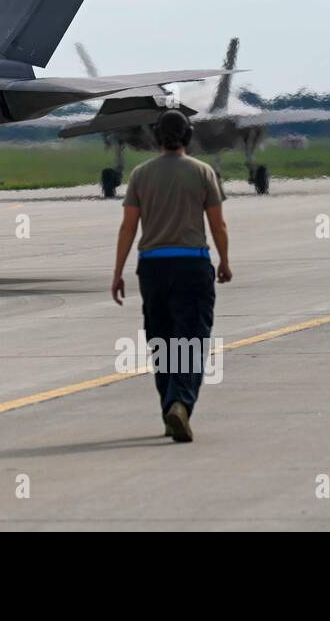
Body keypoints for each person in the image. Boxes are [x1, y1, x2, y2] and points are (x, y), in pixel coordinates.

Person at [110, 109, 231, 442]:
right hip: (192, 265)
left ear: (156, 138)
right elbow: (217, 224)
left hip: (152, 267)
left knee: (161, 340)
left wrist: (118, 272)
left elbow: (128, 227)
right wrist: (224, 260)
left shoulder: (140, 175)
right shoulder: (203, 172)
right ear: (188, 136)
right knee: (191, 341)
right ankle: (180, 402)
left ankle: (169, 408)